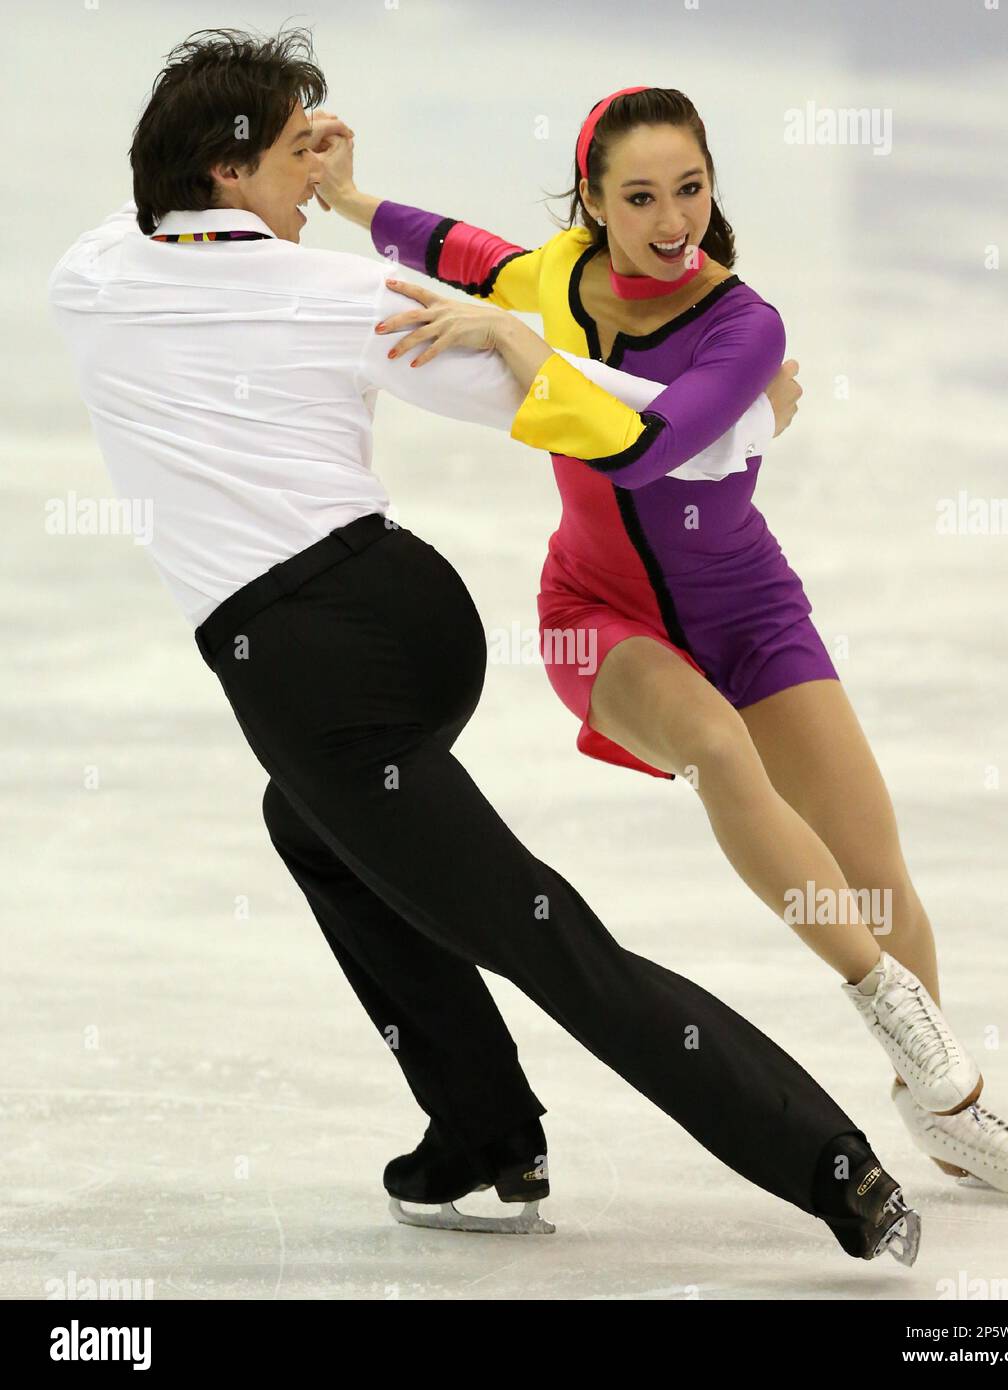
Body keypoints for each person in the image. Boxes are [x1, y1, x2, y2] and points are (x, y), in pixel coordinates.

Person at [47, 27, 922, 1263]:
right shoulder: (356, 299)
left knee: (536, 930)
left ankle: (834, 1168)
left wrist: (714, 393)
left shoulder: (88, 273)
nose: (320, 174)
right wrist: (733, 422)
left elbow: (154, 212)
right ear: (230, 171)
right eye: (301, 151)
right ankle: (483, 1131)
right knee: (314, 828)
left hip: (314, 664)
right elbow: (566, 405)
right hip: (403, 618)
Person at [314, 84, 1008, 1199]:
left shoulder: (742, 324)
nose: (672, 219)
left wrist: (522, 353)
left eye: (690, 188)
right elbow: (458, 248)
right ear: (592, 202)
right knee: (716, 749)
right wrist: (344, 195)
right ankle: (893, 1013)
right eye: (640, 196)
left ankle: (940, 1108)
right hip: (595, 616)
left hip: (748, 608)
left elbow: (646, 446)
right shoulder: (554, 276)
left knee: (874, 869)